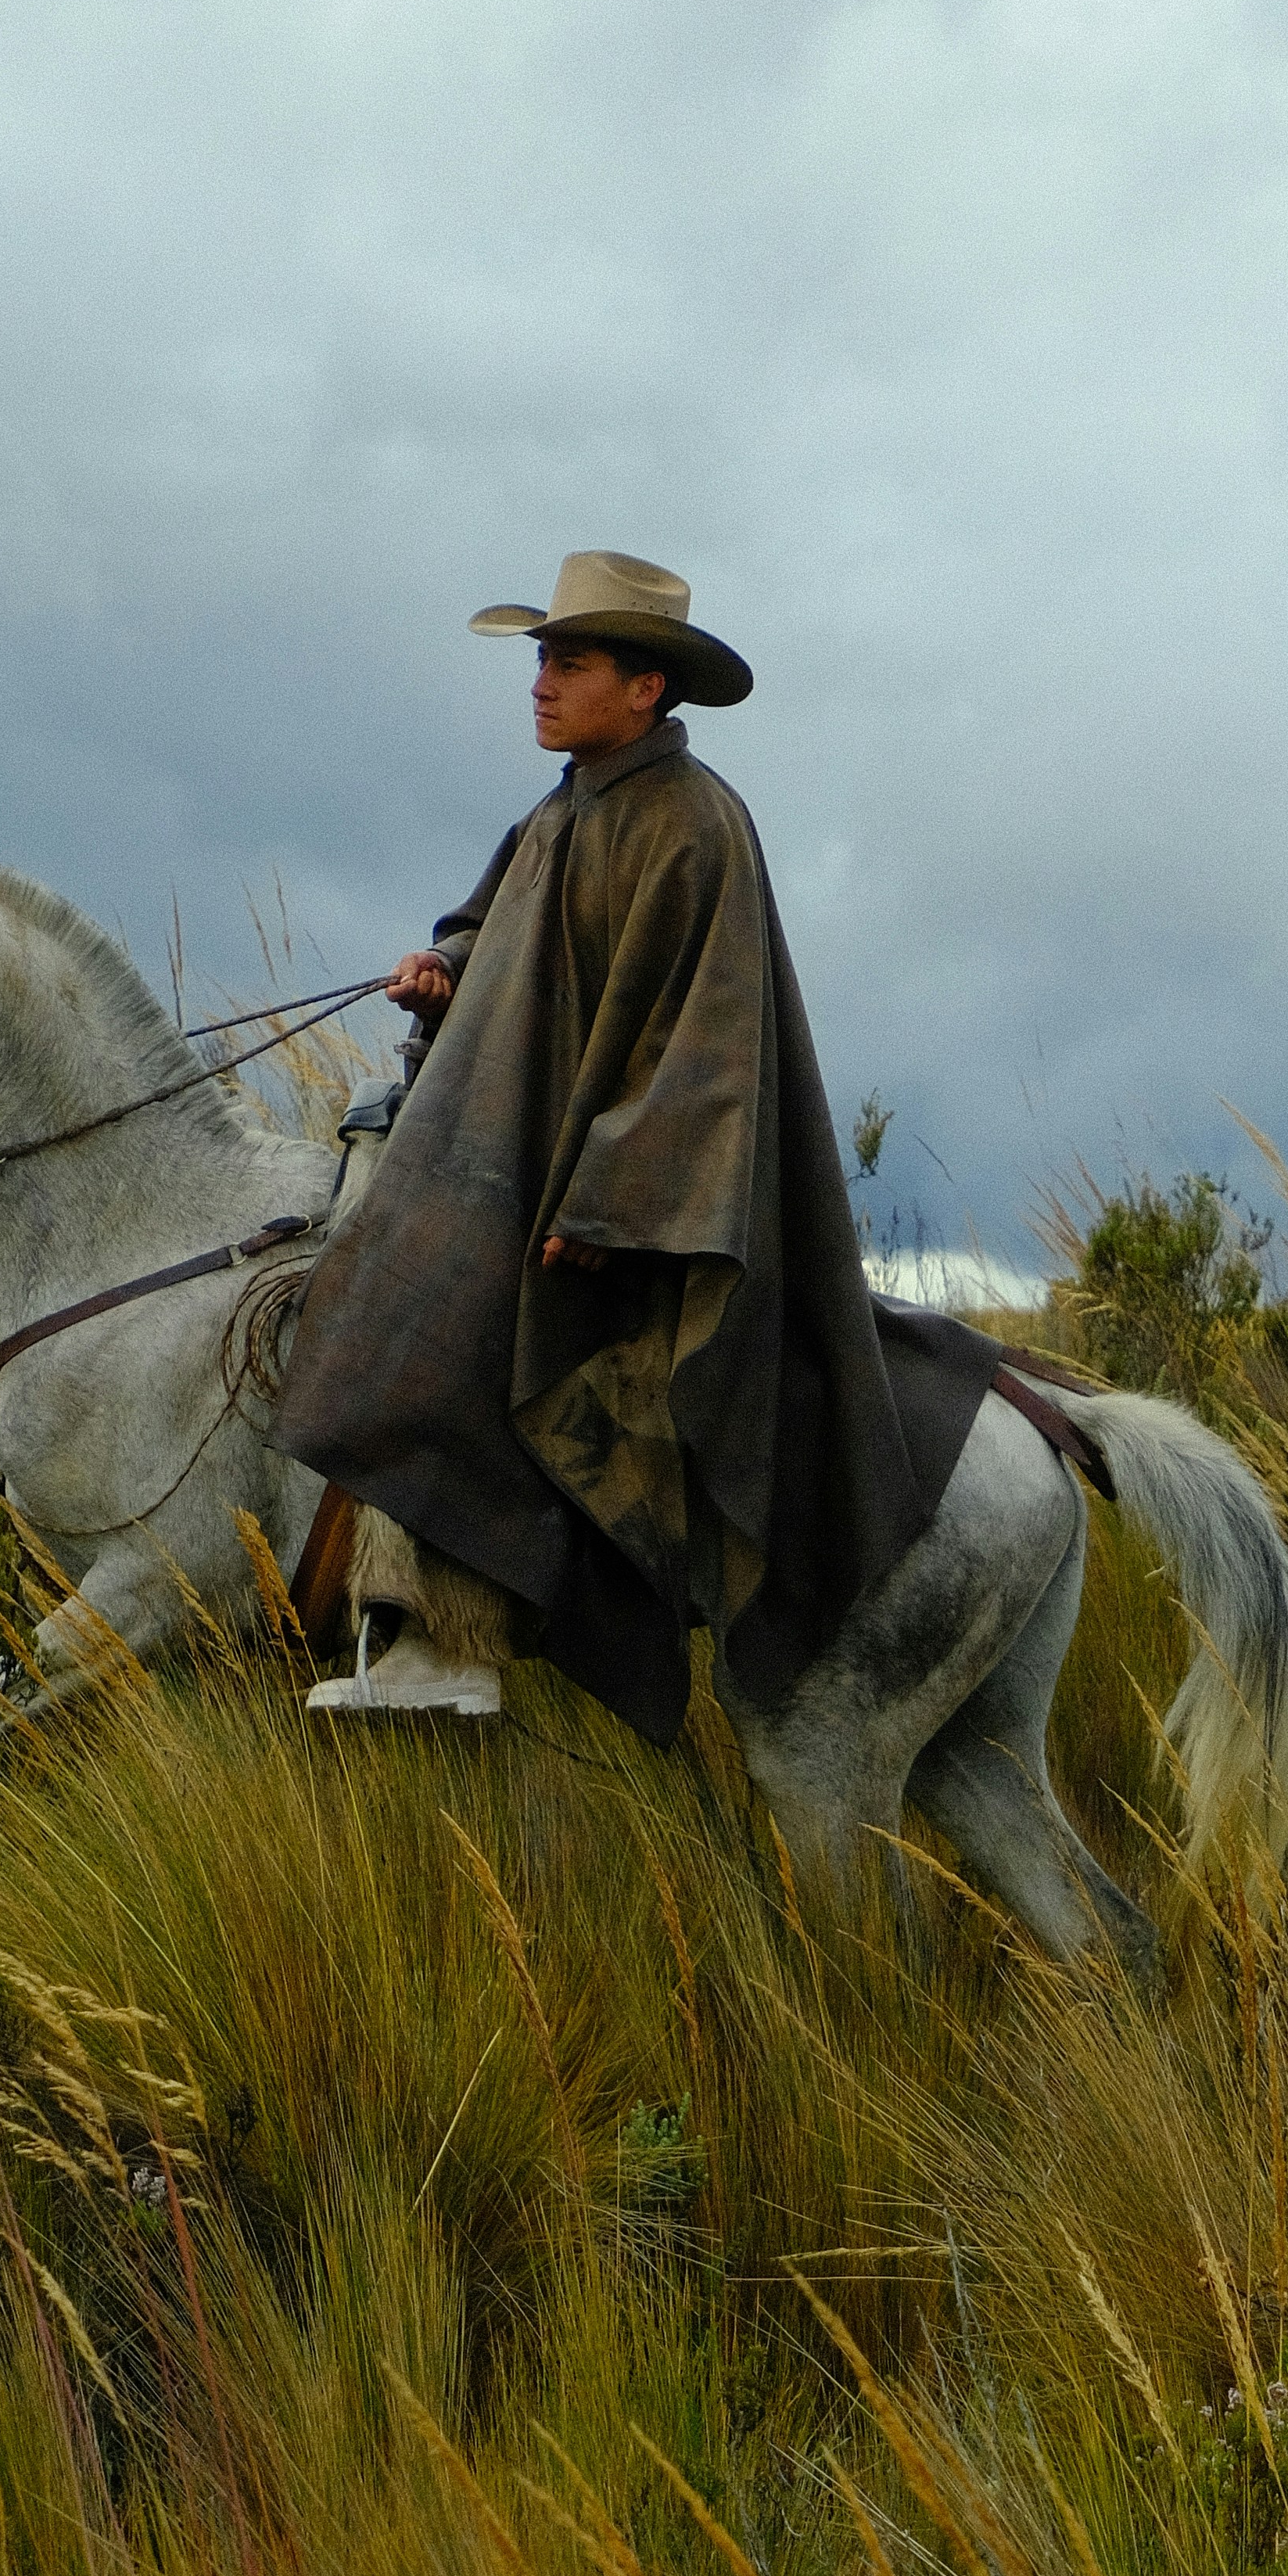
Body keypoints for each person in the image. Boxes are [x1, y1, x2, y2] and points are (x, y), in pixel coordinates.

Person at [271, 548, 923, 1740]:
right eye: (540, 662)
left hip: (633, 1217)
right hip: (527, 1169)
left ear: (645, 690)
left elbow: (709, 1055)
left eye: (569, 663)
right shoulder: (559, 812)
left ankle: (449, 1646)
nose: (540, 684)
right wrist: (445, 970)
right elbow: (492, 936)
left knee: (438, 1324)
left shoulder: (696, 827)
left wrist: (608, 1199)